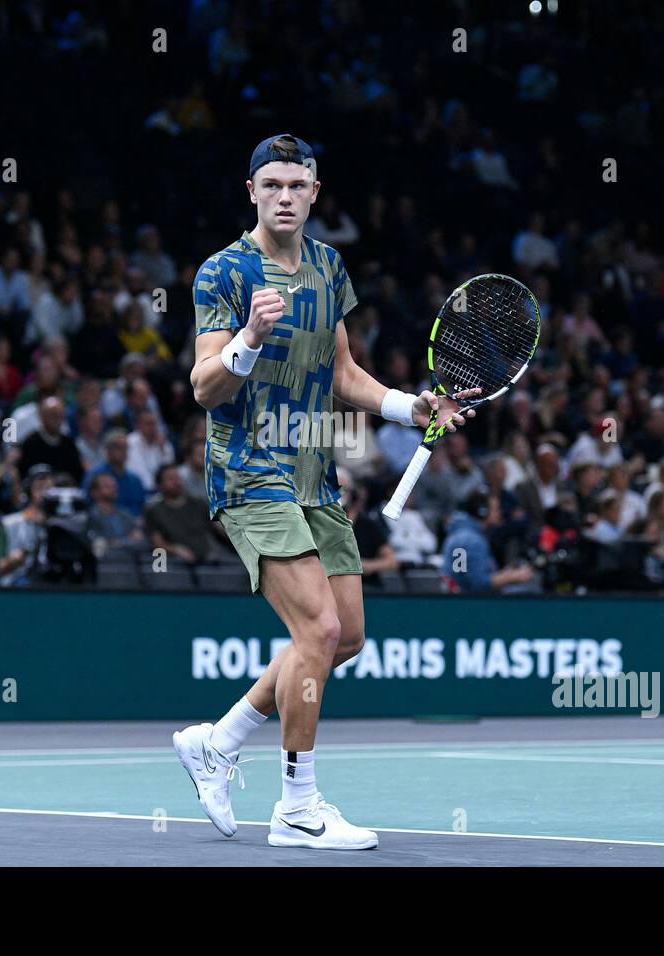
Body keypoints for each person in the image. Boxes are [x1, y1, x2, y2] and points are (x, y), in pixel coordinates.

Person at [173, 134, 474, 851]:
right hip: (251, 471)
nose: (284, 195)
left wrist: (411, 407)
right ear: (251, 191)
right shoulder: (222, 272)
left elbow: (343, 373)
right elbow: (203, 386)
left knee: (345, 636)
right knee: (318, 632)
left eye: (296, 185)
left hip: (314, 472)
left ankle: (218, 741)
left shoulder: (329, 267)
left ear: (314, 192)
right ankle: (297, 808)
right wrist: (247, 338)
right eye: (270, 183)